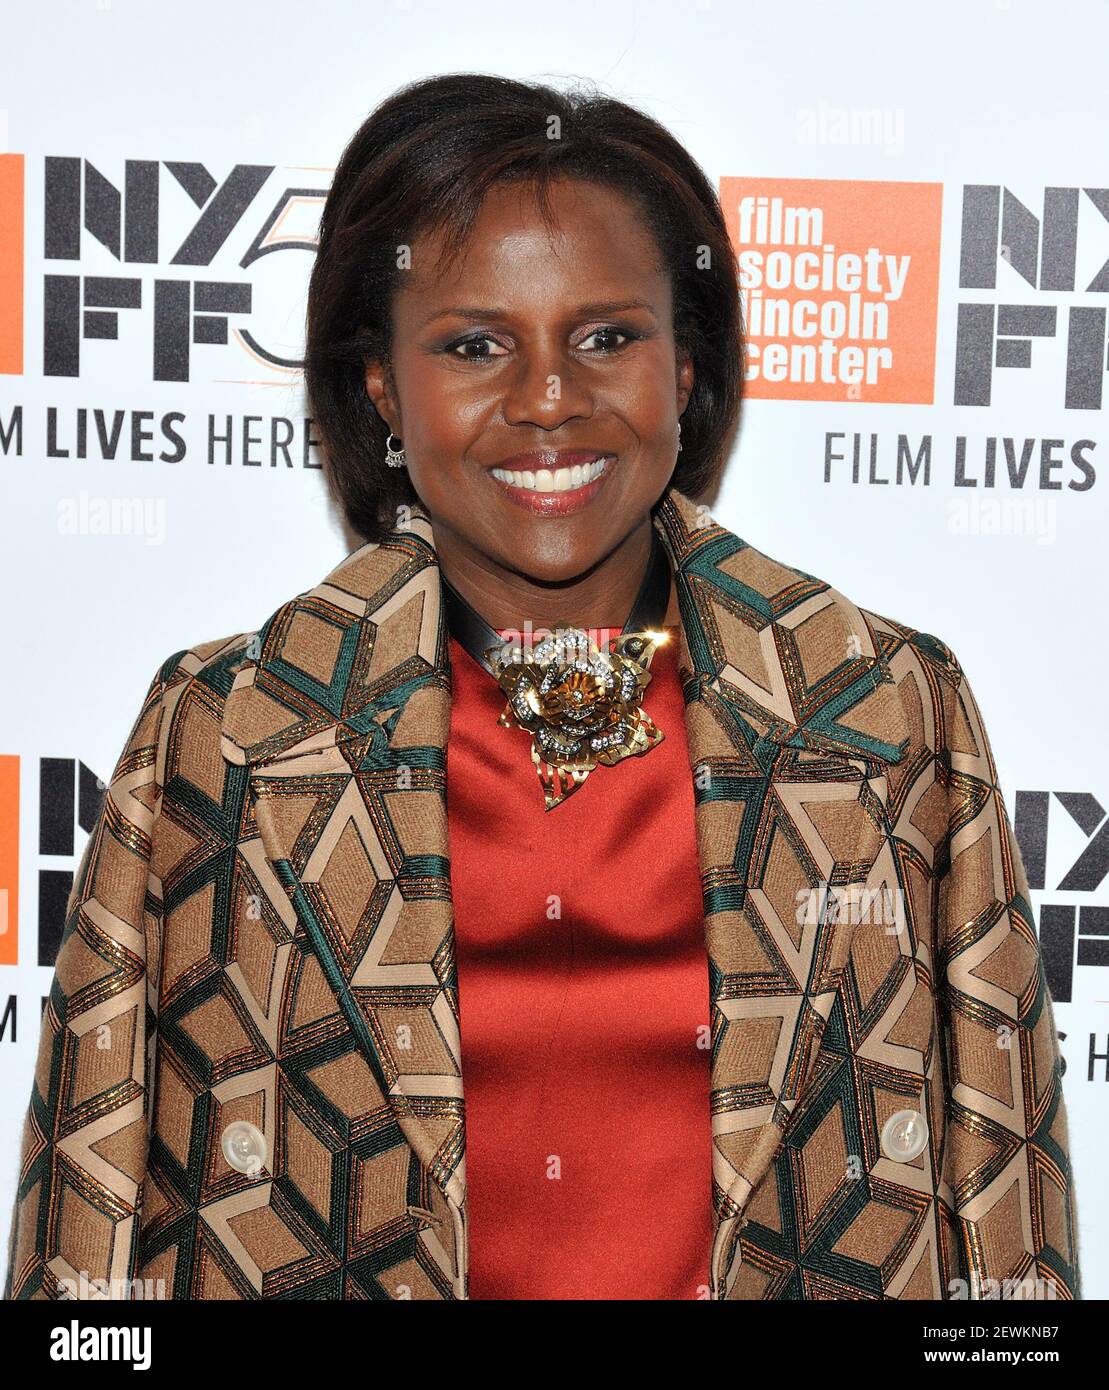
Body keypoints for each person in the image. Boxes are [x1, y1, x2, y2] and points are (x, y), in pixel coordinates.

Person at [4, 73, 1080, 1302]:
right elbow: (80, 1249)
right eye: (474, 345)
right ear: (377, 389)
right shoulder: (227, 731)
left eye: (607, 336)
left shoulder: (887, 716)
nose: (548, 399)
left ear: (685, 368)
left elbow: (1007, 1232)